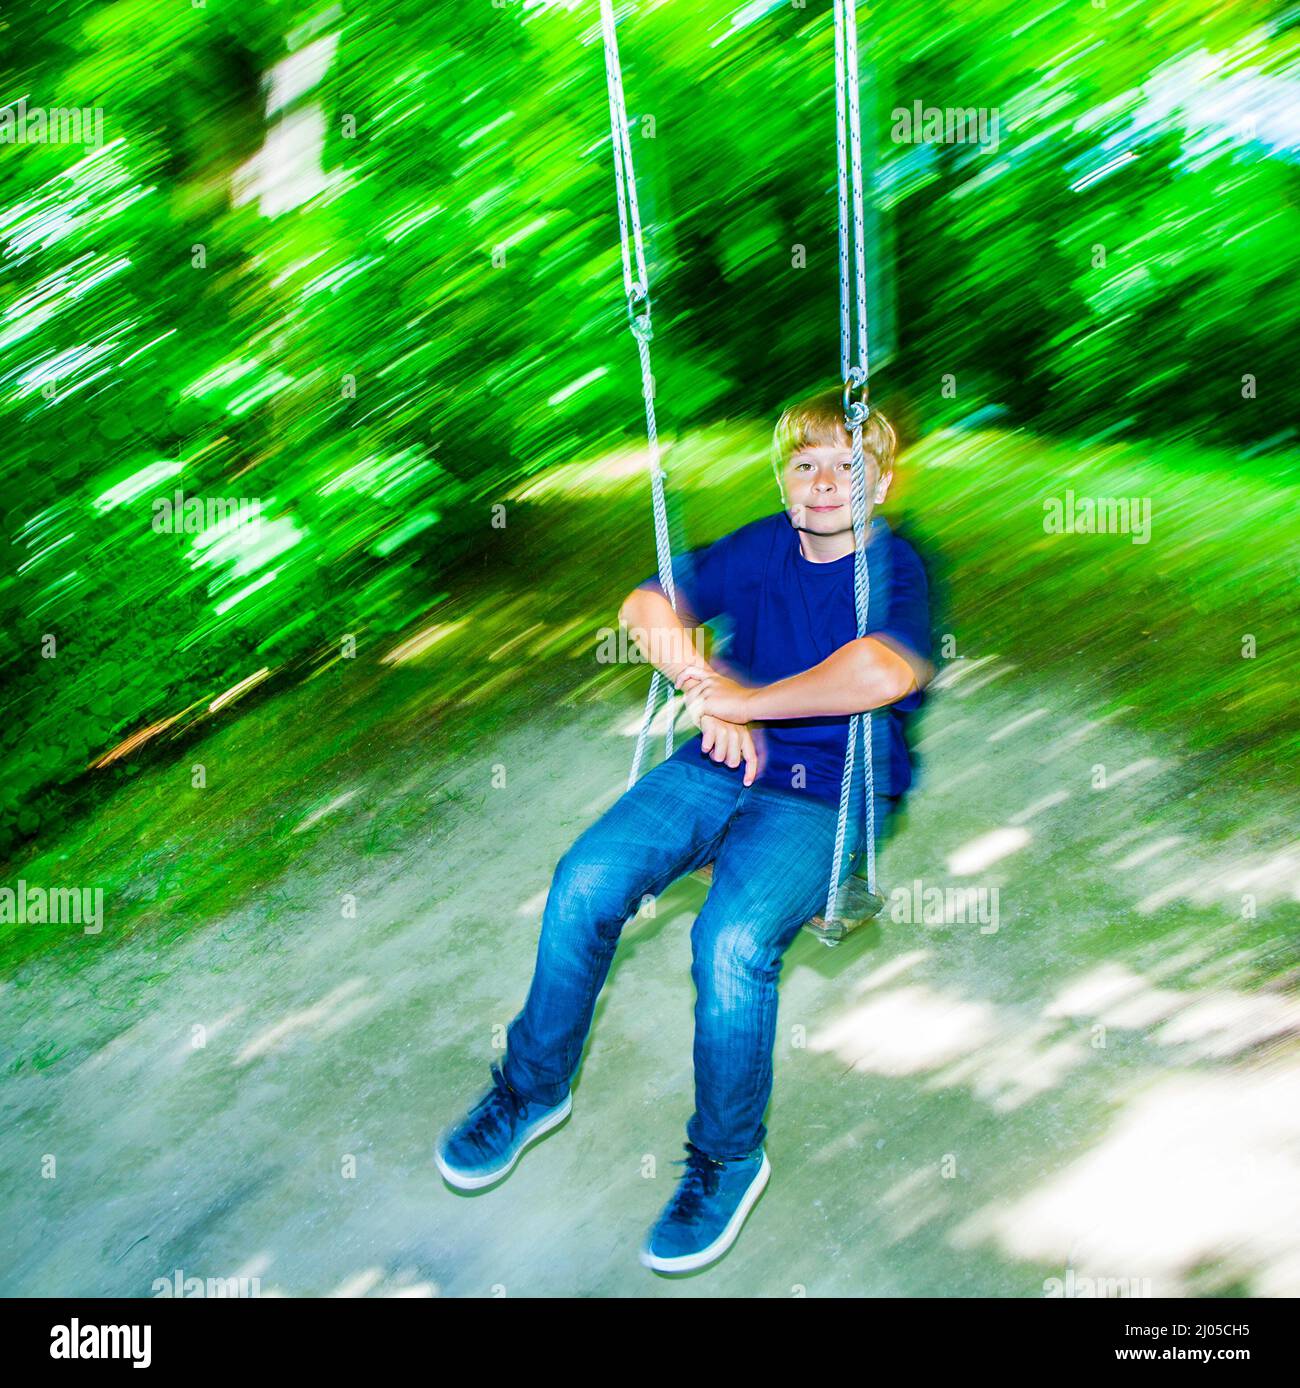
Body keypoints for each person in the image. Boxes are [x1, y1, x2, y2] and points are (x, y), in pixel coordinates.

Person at [435, 386, 934, 1274]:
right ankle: (531, 1089)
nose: (823, 482)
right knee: (585, 876)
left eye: (846, 466)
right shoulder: (761, 545)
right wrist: (709, 694)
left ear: (883, 483)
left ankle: (728, 1159)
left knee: (732, 941)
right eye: (804, 463)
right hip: (718, 762)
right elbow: (643, 608)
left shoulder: (899, 565)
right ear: (784, 480)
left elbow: (879, 670)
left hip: (827, 793)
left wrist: (746, 698)